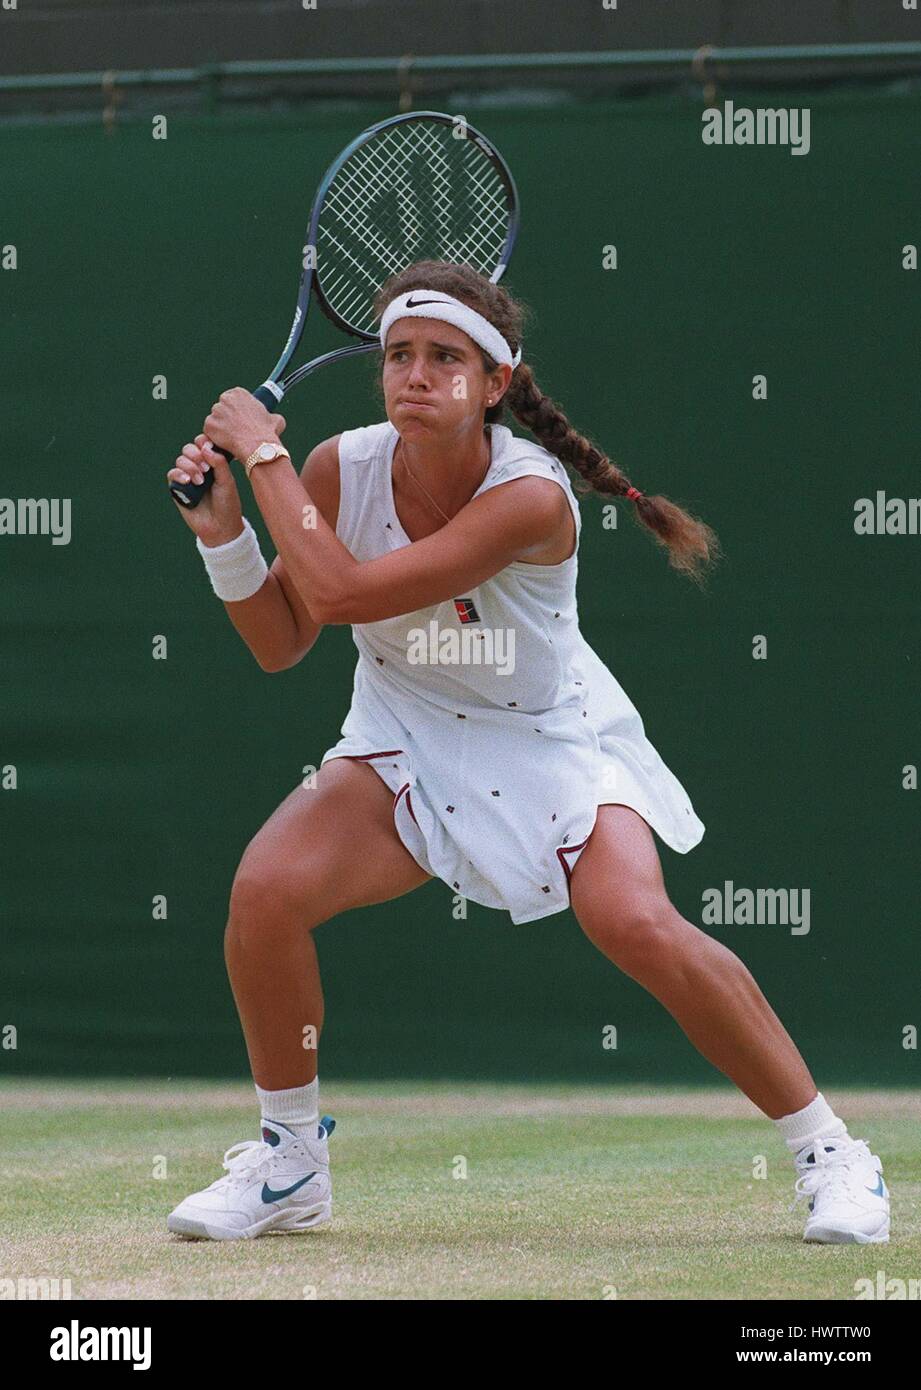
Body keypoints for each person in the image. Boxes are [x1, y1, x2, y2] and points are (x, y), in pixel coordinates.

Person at [164, 261, 889, 1245]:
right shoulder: (337, 468)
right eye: (399, 356)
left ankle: (832, 1152)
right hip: (404, 730)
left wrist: (259, 457)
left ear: (496, 383)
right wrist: (224, 541)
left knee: (635, 923)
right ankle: (290, 1162)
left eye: (446, 359)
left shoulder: (533, 499)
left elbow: (338, 595)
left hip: (553, 739)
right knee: (264, 895)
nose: (416, 375)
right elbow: (283, 638)